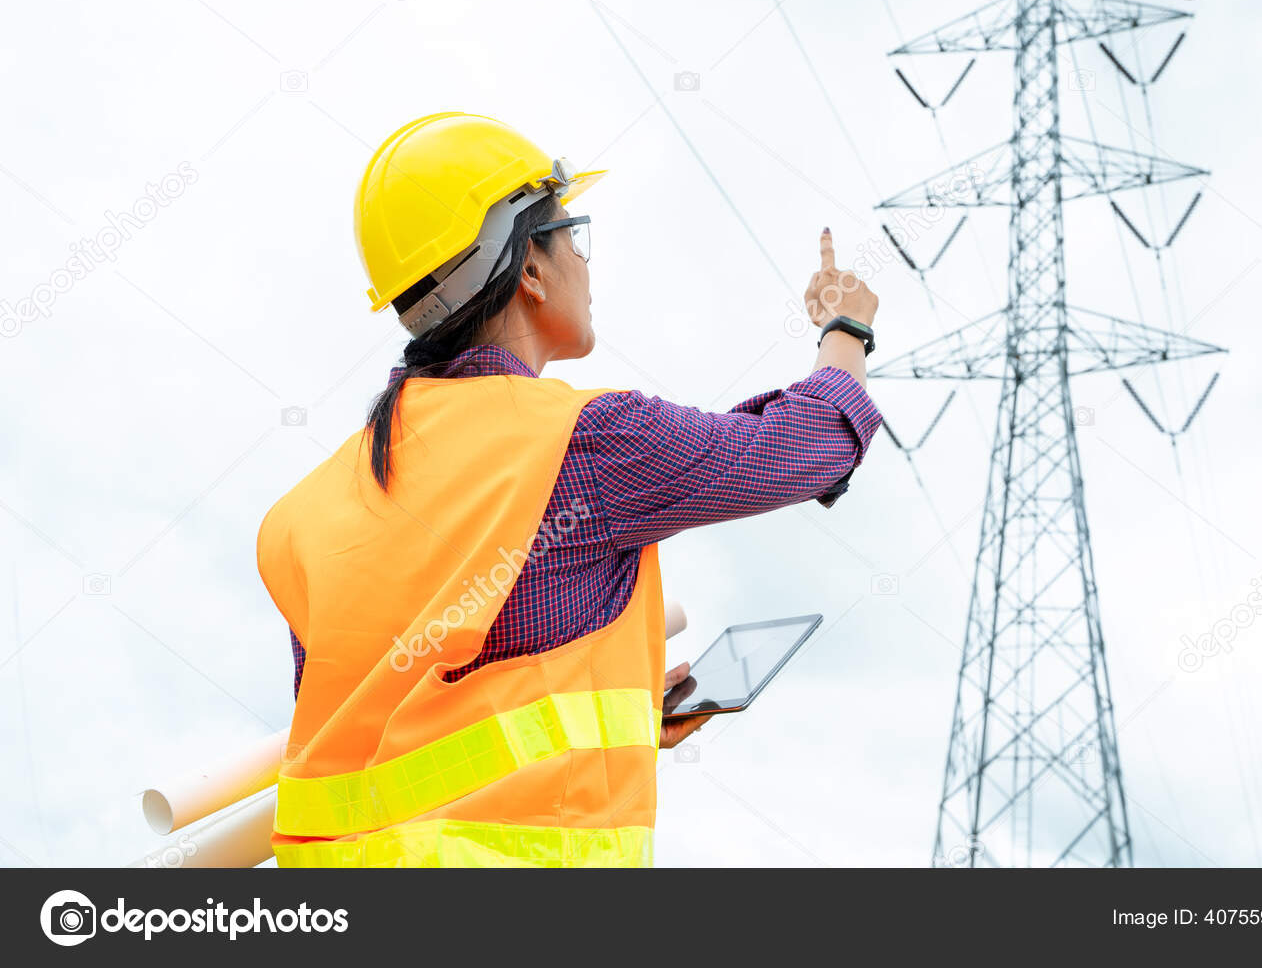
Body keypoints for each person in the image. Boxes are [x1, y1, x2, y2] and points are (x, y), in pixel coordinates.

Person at [256, 112, 881, 867]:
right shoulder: (587, 441)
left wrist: (602, 718)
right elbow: (808, 446)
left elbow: (401, 730)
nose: (585, 261)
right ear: (529, 269)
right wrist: (846, 325)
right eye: (573, 235)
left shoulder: (306, 513)